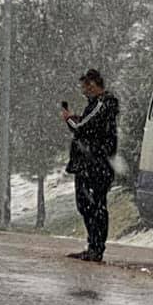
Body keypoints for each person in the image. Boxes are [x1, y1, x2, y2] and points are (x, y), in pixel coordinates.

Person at [60, 68, 121, 262]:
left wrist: (69, 119)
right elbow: (88, 125)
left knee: (94, 205)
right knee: (87, 205)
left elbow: (82, 127)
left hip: (95, 164)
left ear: (93, 85)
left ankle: (96, 247)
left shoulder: (102, 104)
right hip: (91, 163)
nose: (83, 91)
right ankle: (93, 245)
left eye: (85, 87)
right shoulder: (99, 105)